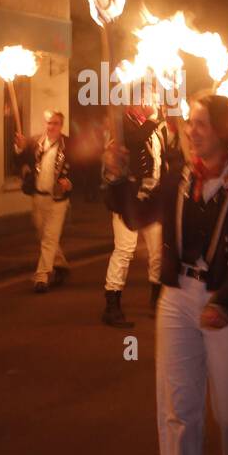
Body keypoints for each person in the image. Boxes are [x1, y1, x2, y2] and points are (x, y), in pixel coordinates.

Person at [105, 93, 228, 455]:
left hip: (220, 299)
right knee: (178, 414)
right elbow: (137, 217)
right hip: (176, 297)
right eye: (190, 122)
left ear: (224, 129)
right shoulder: (177, 176)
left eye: (201, 123)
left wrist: (226, 302)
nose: (191, 131)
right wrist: (117, 178)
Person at [102, 97, 165, 326]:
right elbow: (134, 141)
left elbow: (161, 159)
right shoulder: (122, 123)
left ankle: (157, 300)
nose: (150, 100)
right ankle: (112, 304)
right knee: (124, 250)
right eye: (144, 96)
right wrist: (152, 120)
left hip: (153, 199)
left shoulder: (155, 126)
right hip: (128, 199)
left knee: (157, 252)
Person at [13, 110, 72, 293]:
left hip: (58, 200)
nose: (51, 126)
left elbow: (81, 167)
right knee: (44, 236)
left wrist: (70, 182)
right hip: (38, 197)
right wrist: (20, 148)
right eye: (49, 123)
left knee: (49, 238)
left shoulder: (68, 145)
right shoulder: (35, 142)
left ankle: (41, 277)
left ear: (61, 126)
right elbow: (20, 161)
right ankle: (60, 264)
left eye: (55, 123)